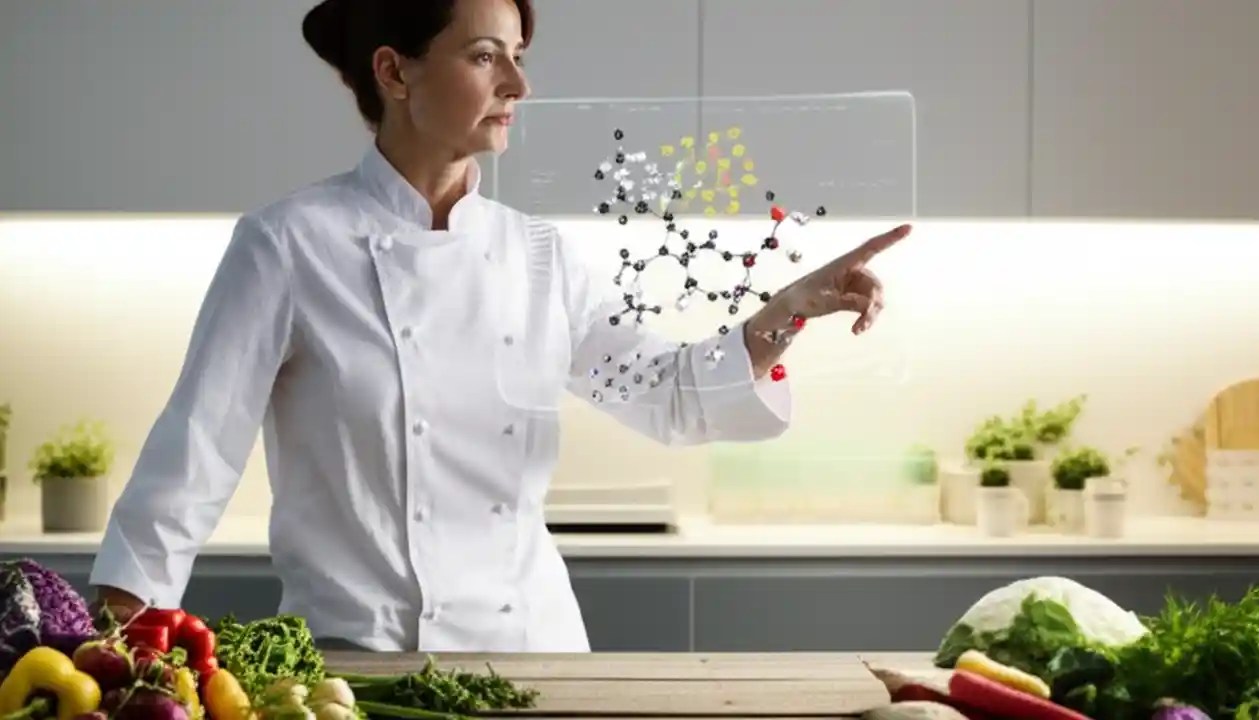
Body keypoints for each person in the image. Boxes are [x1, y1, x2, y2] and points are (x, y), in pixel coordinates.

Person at [88, 0, 912, 652]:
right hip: (359, 661)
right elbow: (195, 452)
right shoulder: (288, 244)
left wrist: (783, 313)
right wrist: (116, 639)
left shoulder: (539, 253)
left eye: (519, 57)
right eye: (486, 57)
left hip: (533, 653)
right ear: (395, 72)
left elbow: (669, 396)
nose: (518, 85)